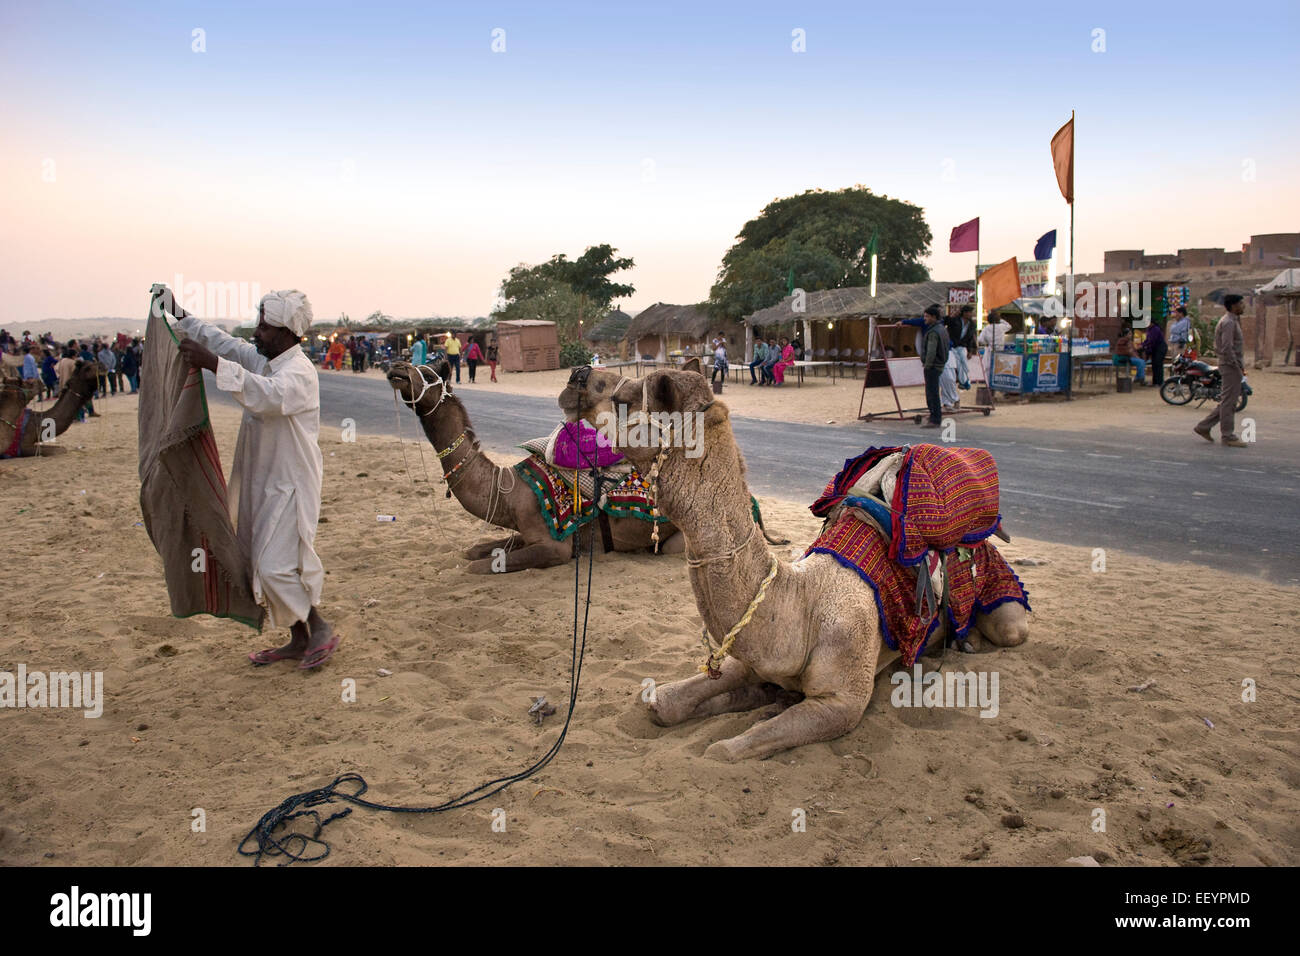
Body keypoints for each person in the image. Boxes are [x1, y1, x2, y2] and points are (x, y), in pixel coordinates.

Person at [166, 287, 339, 668]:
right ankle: (297, 640)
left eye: (266, 326)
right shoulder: (264, 360)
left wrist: (214, 365)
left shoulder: (299, 373)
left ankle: (320, 627)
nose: (257, 332)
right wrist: (178, 314)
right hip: (262, 483)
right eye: (259, 324)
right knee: (258, 563)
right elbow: (223, 342)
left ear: (290, 332)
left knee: (276, 566)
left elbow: (268, 396)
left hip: (291, 485)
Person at [1194, 294, 1247, 447]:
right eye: (1241, 304)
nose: (1243, 306)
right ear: (1233, 305)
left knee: (1228, 400)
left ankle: (1204, 426)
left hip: (1232, 365)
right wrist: (1236, 367)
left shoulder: (1233, 321)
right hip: (1230, 366)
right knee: (1229, 402)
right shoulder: (1229, 322)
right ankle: (1228, 436)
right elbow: (1227, 348)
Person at [920, 305, 949, 428]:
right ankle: (935, 416)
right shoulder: (941, 329)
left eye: (926, 316)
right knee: (934, 392)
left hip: (933, 366)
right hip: (939, 364)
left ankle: (935, 418)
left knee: (932, 393)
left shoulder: (933, 332)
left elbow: (931, 351)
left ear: (933, 317)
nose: (924, 319)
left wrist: (927, 365)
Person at [946, 305, 978, 393]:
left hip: (962, 345)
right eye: (967, 312)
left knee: (963, 361)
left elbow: (971, 338)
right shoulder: (955, 320)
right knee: (958, 363)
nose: (969, 314)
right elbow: (945, 321)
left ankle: (963, 381)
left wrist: (970, 350)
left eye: (970, 312)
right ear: (963, 313)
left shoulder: (972, 324)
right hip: (952, 345)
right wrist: (953, 315)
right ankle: (963, 381)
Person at [1113, 321, 1148, 386]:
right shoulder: (1123, 341)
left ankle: (1138, 378)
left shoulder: (1128, 341)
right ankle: (1141, 379)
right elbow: (1129, 351)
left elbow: (1132, 350)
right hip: (1123, 358)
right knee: (1140, 362)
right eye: (1129, 334)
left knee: (1141, 362)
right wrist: (1136, 356)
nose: (1131, 335)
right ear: (1126, 335)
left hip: (1127, 357)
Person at [1141, 318, 1167, 387]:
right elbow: (1147, 340)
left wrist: (1145, 348)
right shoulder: (1149, 330)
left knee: (1158, 365)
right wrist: (1143, 345)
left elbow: (1152, 341)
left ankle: (1160, 382)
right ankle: (1155, 382)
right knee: (1154, 365)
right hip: (1155, 349)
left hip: (1160, 348)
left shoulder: (1155, 329)